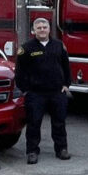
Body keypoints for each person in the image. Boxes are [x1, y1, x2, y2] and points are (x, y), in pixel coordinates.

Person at [15, 18, 71, 164]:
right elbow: (20, 72)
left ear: (49, 29)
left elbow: (66, 66)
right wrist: (25, 90)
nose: (42, 29)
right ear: (34, 30)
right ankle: (32, 151)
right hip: (35, 93)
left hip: (56, 92)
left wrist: (67, 84)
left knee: (59, 123)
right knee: (34, 123)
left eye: (44, 27)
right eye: (38, 27)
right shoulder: (26, 48)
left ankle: (61, 149)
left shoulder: (59, 45)